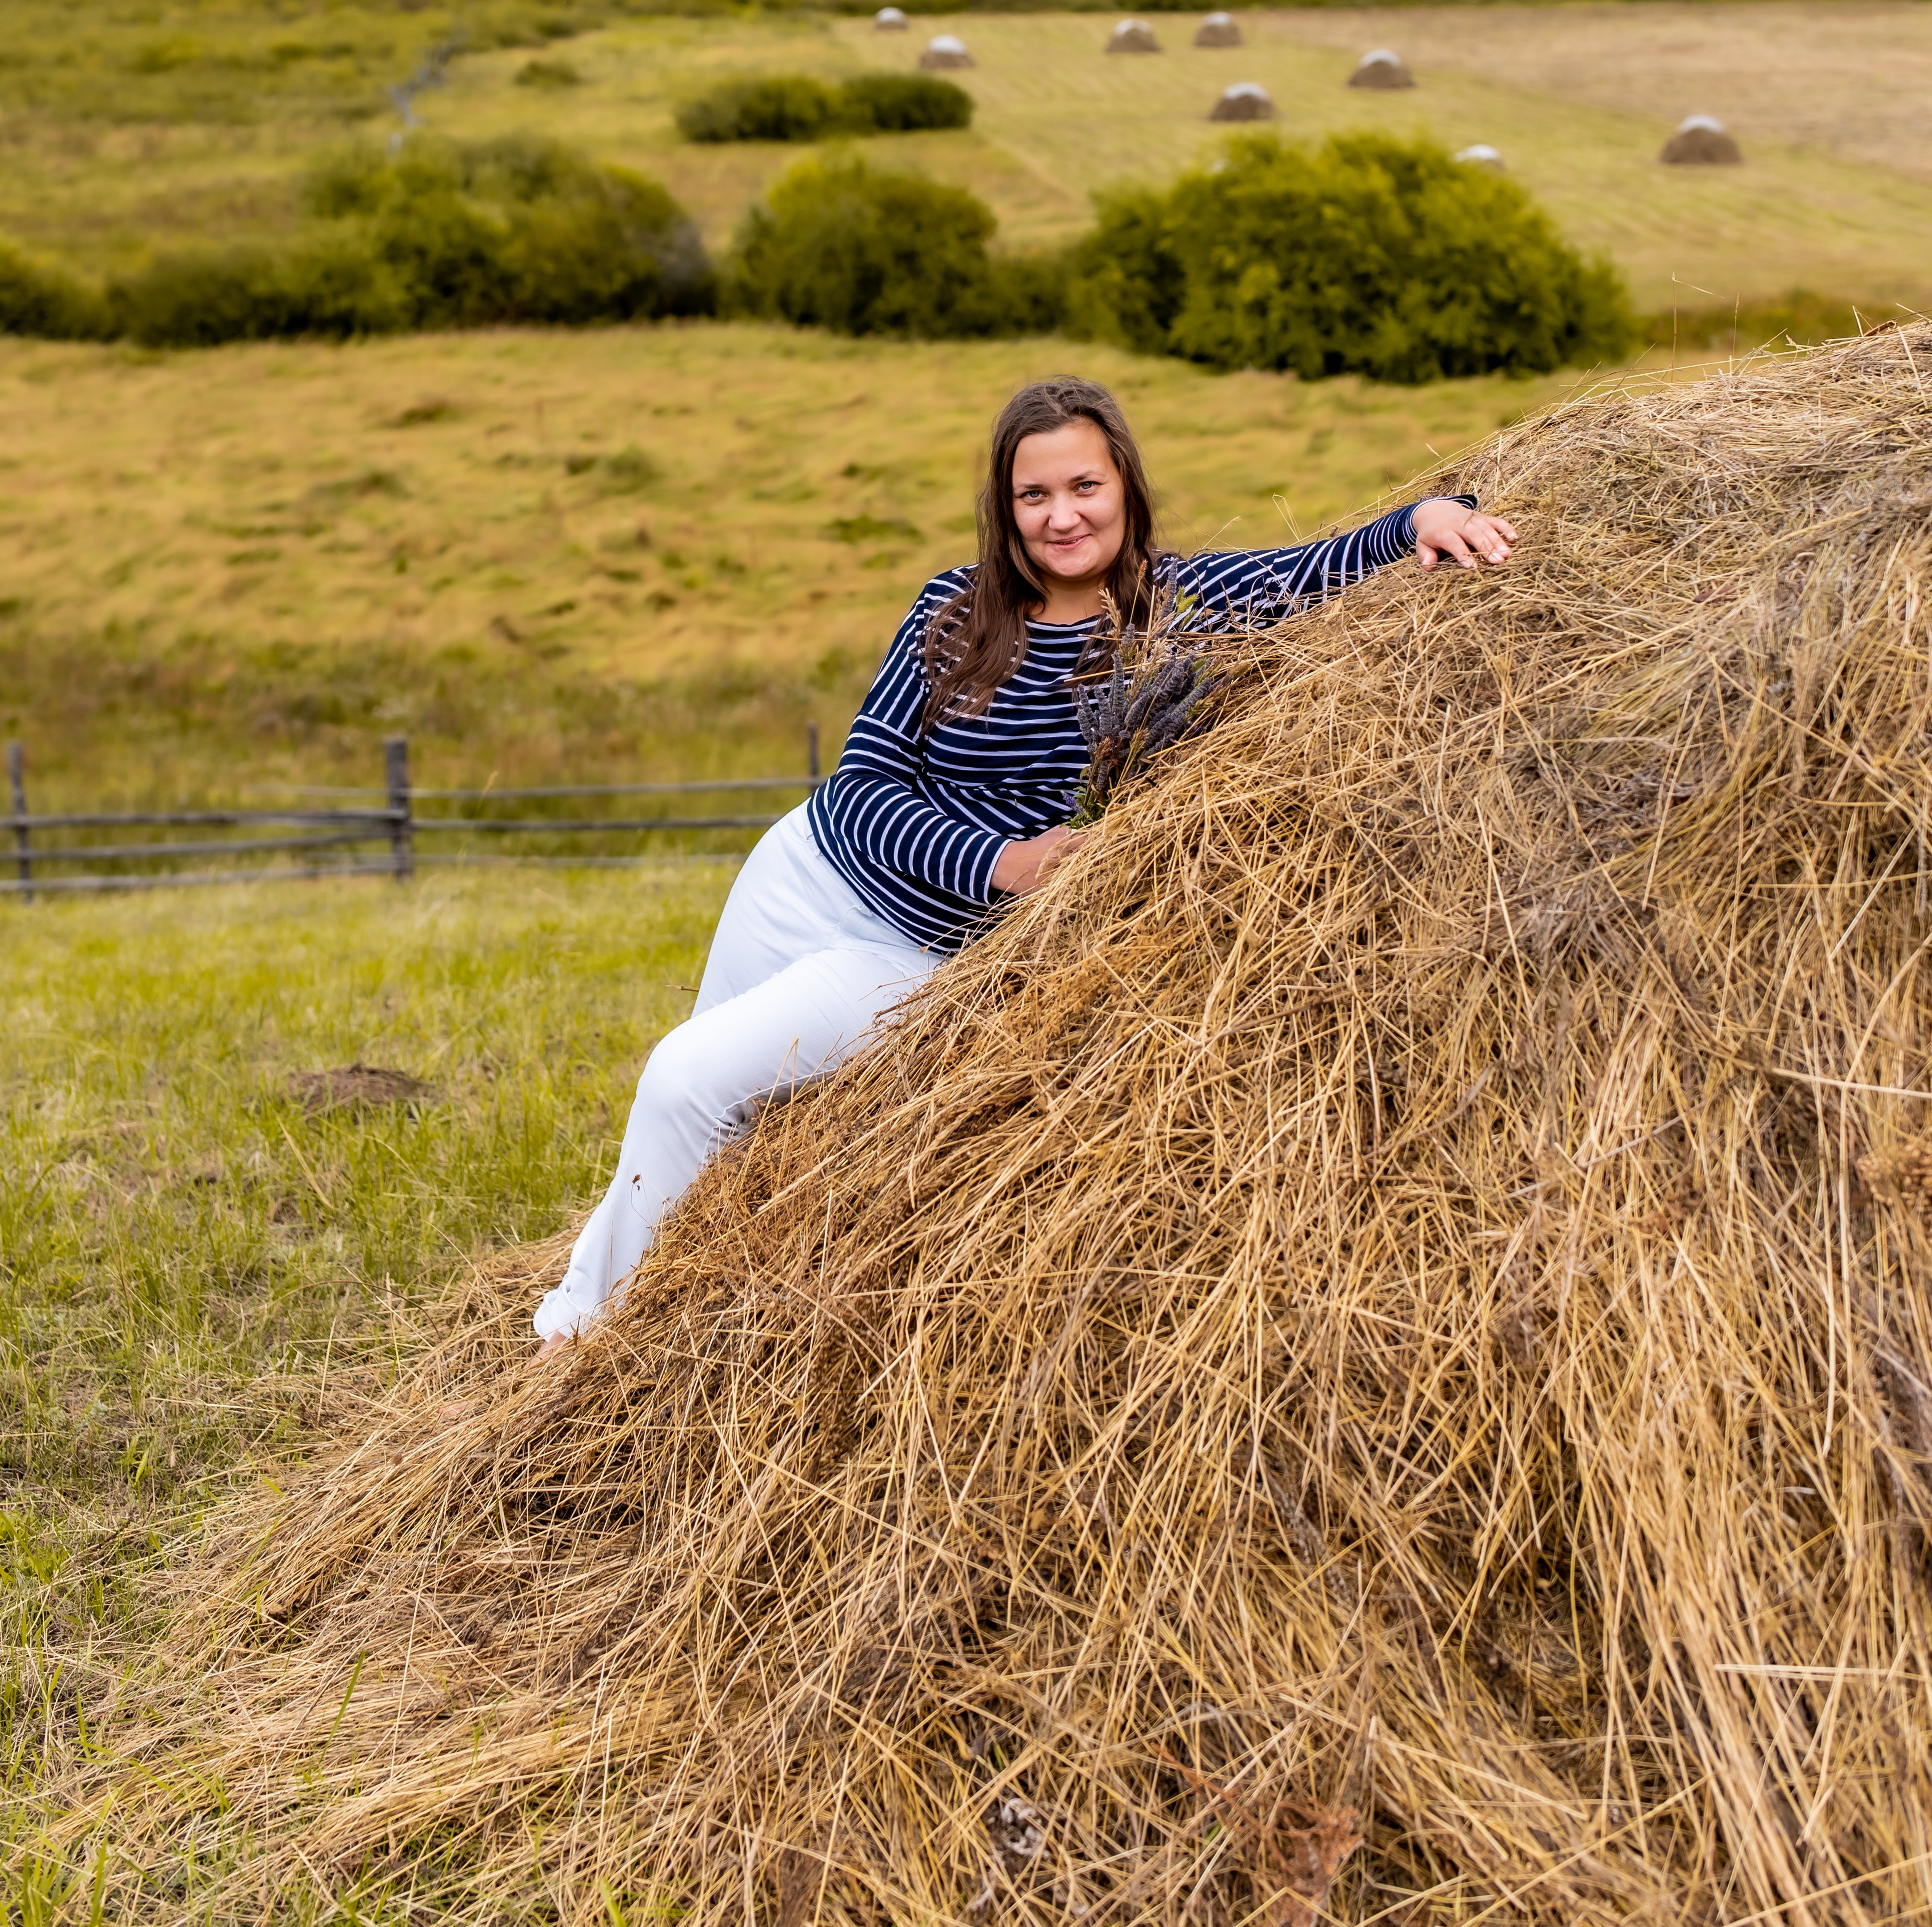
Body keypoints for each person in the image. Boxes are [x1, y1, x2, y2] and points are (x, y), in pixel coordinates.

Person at [532, 377, 1516, 1350]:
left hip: (913, 945)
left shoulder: (1174, 607)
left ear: (1124, 485)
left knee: (682, 1079)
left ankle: (572, 1346)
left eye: (1083, 486)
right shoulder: (953, 609)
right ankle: (601, 1314)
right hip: (807, 873)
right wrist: (1004, 862)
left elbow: (1310, 568)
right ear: (1005, 509)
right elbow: (868, 785)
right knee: (702, 1129)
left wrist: (1425, 517)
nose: (1062, 516)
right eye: (1033, 495)